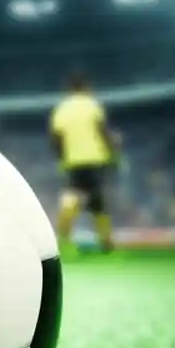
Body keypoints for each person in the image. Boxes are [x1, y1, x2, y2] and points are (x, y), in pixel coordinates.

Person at [50, 72, 119, 256]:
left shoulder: (61, 109)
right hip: (95, 159)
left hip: (73, 161)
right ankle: (106, 243)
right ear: (86, 86)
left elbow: (56, 138)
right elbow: (102, 130)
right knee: (97, 200)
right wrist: (114, 152)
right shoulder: (92, 104)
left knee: (73, 197)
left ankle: (64, 240)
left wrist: (62, 158)